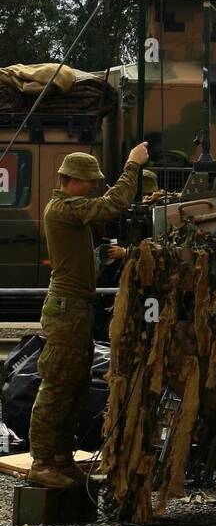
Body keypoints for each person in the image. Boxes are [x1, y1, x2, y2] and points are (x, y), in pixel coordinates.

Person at [27, 142, 150, 489]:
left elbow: (102, 209)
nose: (94, 185)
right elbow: (112, 205)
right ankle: (42, 462)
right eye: (89, 181)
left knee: (76, 387)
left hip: (77, 307)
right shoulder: (63, 208)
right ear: (71, 181)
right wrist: (132, 166)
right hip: (66, 308)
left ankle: (62, 459)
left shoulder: (73, 209)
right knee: (56, 387)